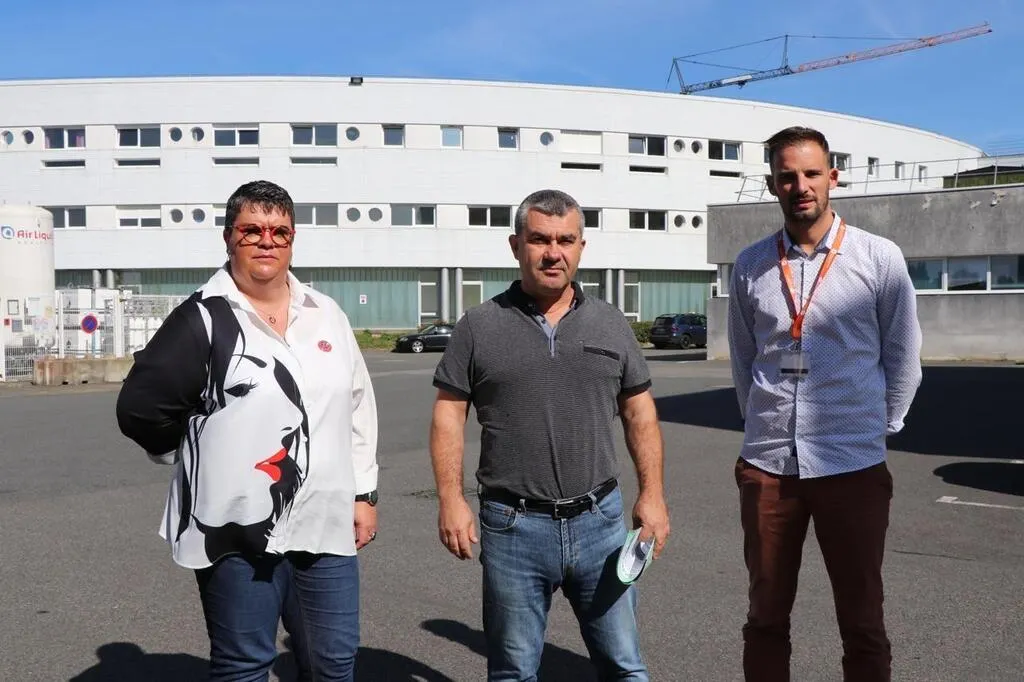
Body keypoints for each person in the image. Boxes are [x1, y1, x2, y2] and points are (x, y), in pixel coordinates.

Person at [116, 180, 380, 681]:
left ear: (292, 238)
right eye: (252, 230)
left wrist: (364, 493)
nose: (266, 240)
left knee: (335, 662)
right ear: (229, 237)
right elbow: (140, 409)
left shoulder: (326, 314)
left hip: (325, 518)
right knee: (245, 667)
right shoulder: (202, 318)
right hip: (235, 526)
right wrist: (191, 451)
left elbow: (358, 405)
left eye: (279, 231)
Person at [429, 188, 670, 681]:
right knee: (513, 671)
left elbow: (639, 412)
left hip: (600, 523)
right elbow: (448, 416)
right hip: (513, 526)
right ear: (515, 245)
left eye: (565, 240)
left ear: (581, 247)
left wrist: (654, 495)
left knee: (624, 666)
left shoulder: (610, 323)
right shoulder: (479, 325)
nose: (553, 252)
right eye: (539, 239)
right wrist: (450, 500)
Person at [727, 126, 923, 682]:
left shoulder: (878, 258)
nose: (800, 186)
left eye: (811, 174)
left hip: (853, 466)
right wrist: (759, 426)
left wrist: (878, 427)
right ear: (772, 185)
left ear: (833, 178)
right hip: (769, 467)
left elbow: (904, 355)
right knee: (765, 616)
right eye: (787, 176)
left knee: (862, 620)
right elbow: (745, 361)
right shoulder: (750, 265)